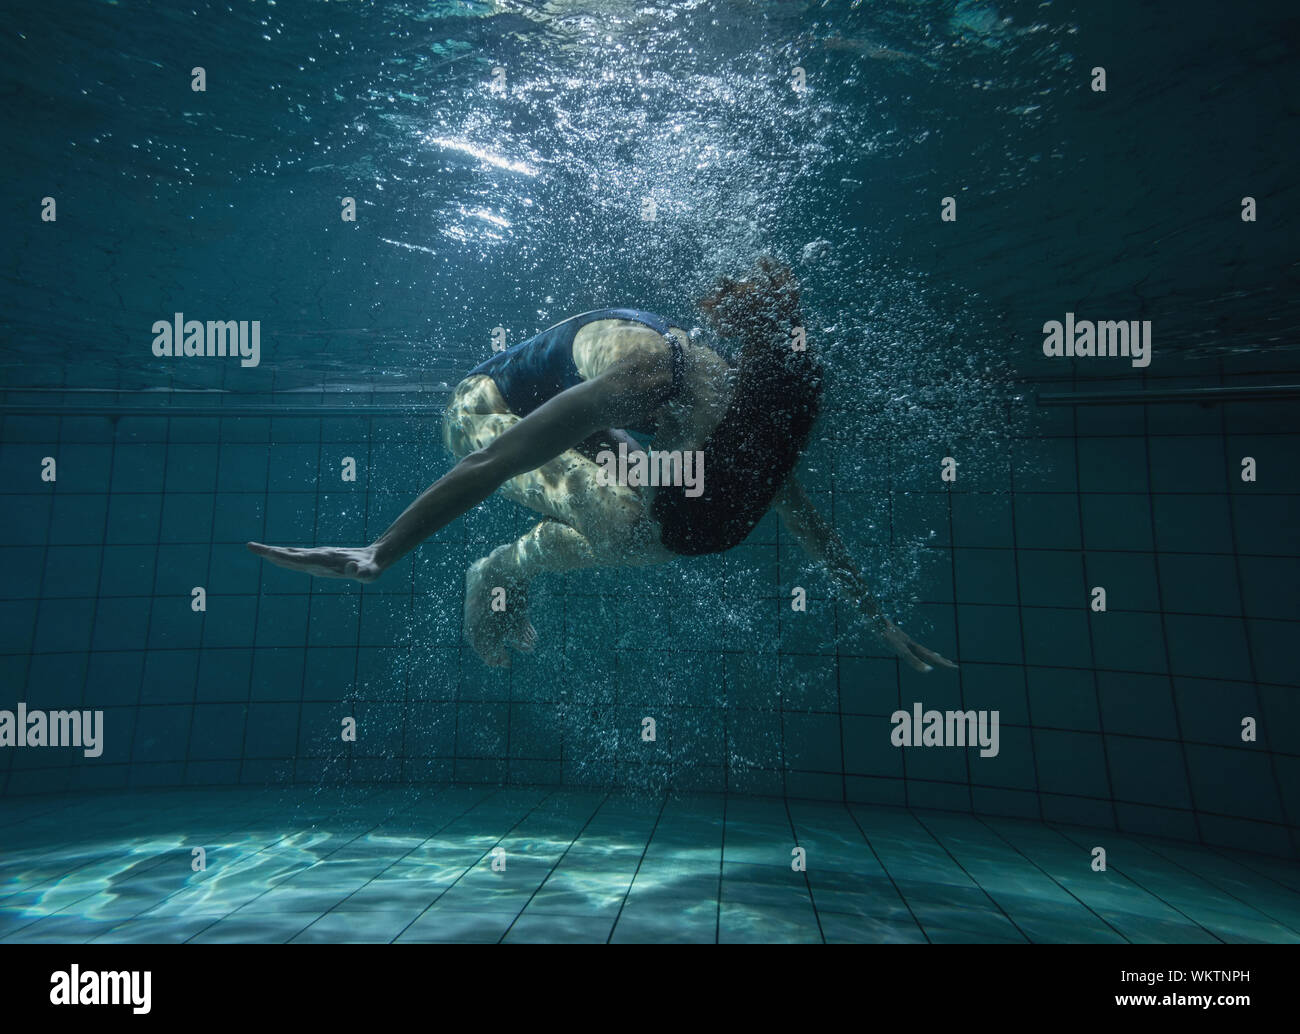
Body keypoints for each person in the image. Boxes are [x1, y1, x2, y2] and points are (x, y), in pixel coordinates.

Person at [248, 257, 956, 674]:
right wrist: (381, 549)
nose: (744, 469)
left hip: (586, 413)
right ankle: (495, 572)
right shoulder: (646, 377)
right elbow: (497, 459)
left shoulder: (746, 417)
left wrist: (878, 621)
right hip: (484, 407)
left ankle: (513, 564)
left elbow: (805, 519)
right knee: (630, 527)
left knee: (644, 516)